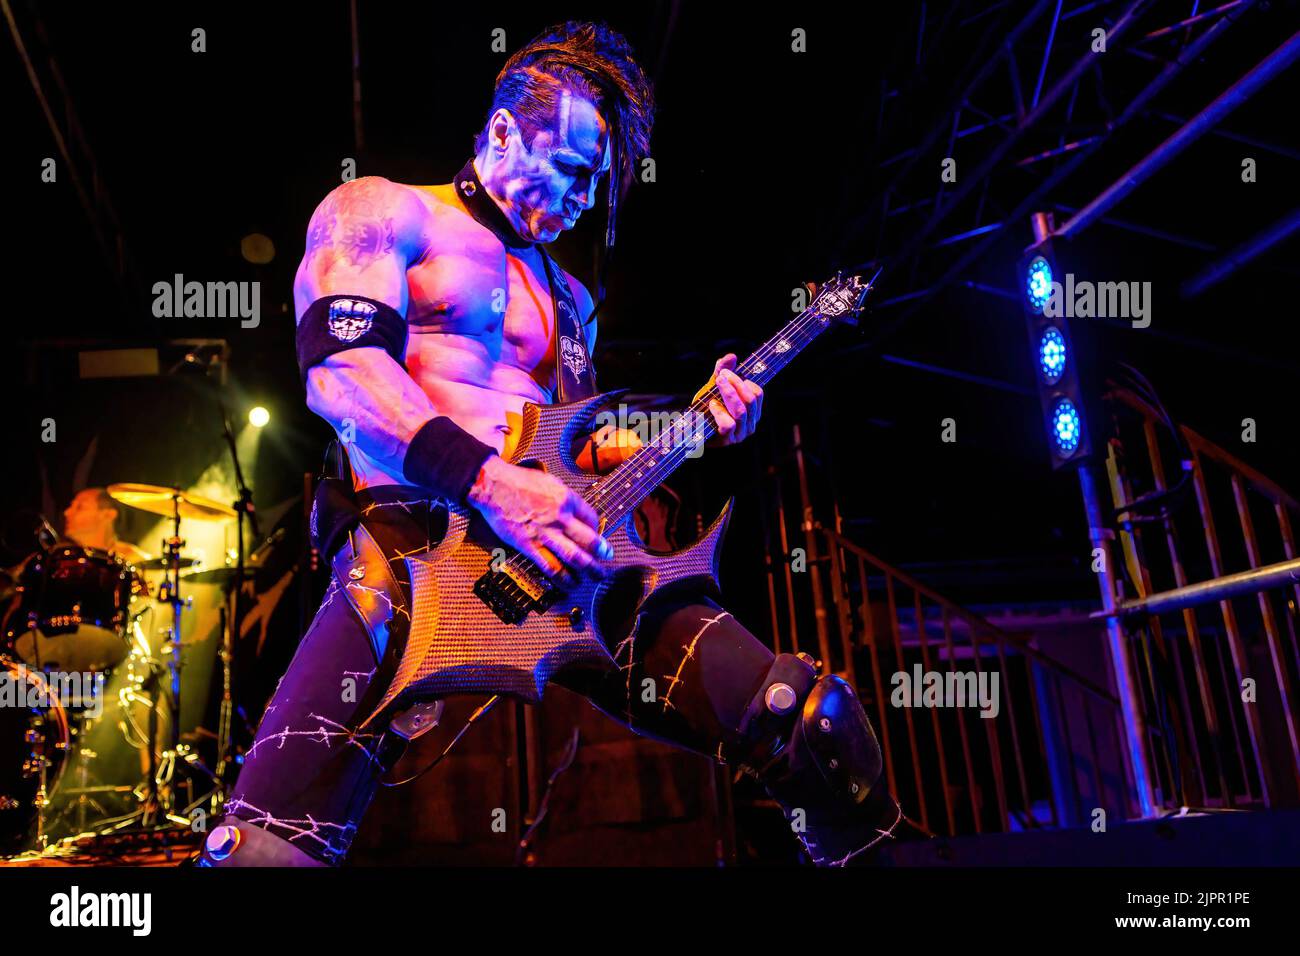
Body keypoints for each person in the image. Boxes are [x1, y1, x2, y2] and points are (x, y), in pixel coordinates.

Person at [200, 21, 903, 868]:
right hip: (410, 553)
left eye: (597, 182)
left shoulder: (569, 298)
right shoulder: (383, 210)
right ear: (502, 133)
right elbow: (341, 376)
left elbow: (579, 447)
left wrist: (692, 424)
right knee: (261, 856)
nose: (584, 199)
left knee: (808, 722)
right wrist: (491, 483)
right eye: (572, 169)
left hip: (560, 561)